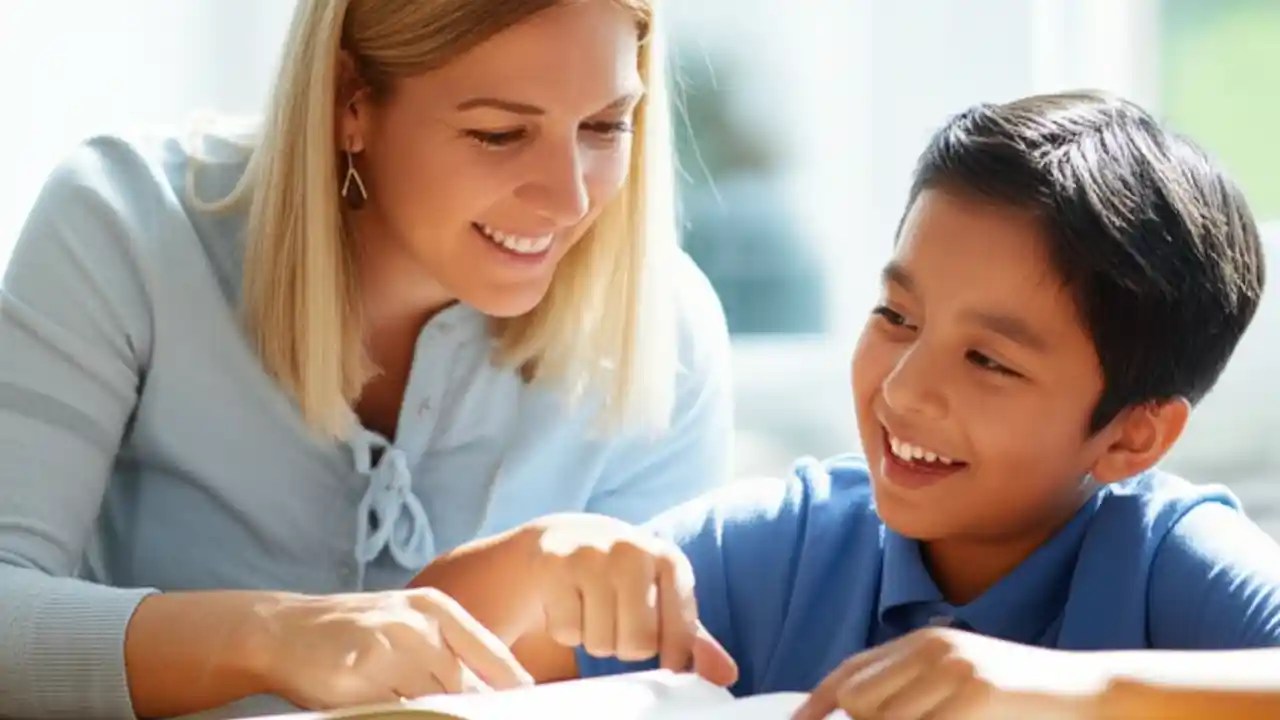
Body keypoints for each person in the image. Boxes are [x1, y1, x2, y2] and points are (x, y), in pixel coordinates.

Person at [417, 91, 1280, 720]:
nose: (902, 391)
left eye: (988, 360)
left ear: (1134, 434)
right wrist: (533, 564)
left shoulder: (1170, 561)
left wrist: (1074, 691)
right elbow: (421, 656)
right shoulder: (779, 553)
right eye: (895, 317)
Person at [0, 1, 733, 718]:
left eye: (605, 126)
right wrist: (272, 637)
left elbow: (652, 688)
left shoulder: (664, 332)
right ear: (350, 101)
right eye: (500, 133)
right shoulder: (124, 227)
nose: (569, 199)